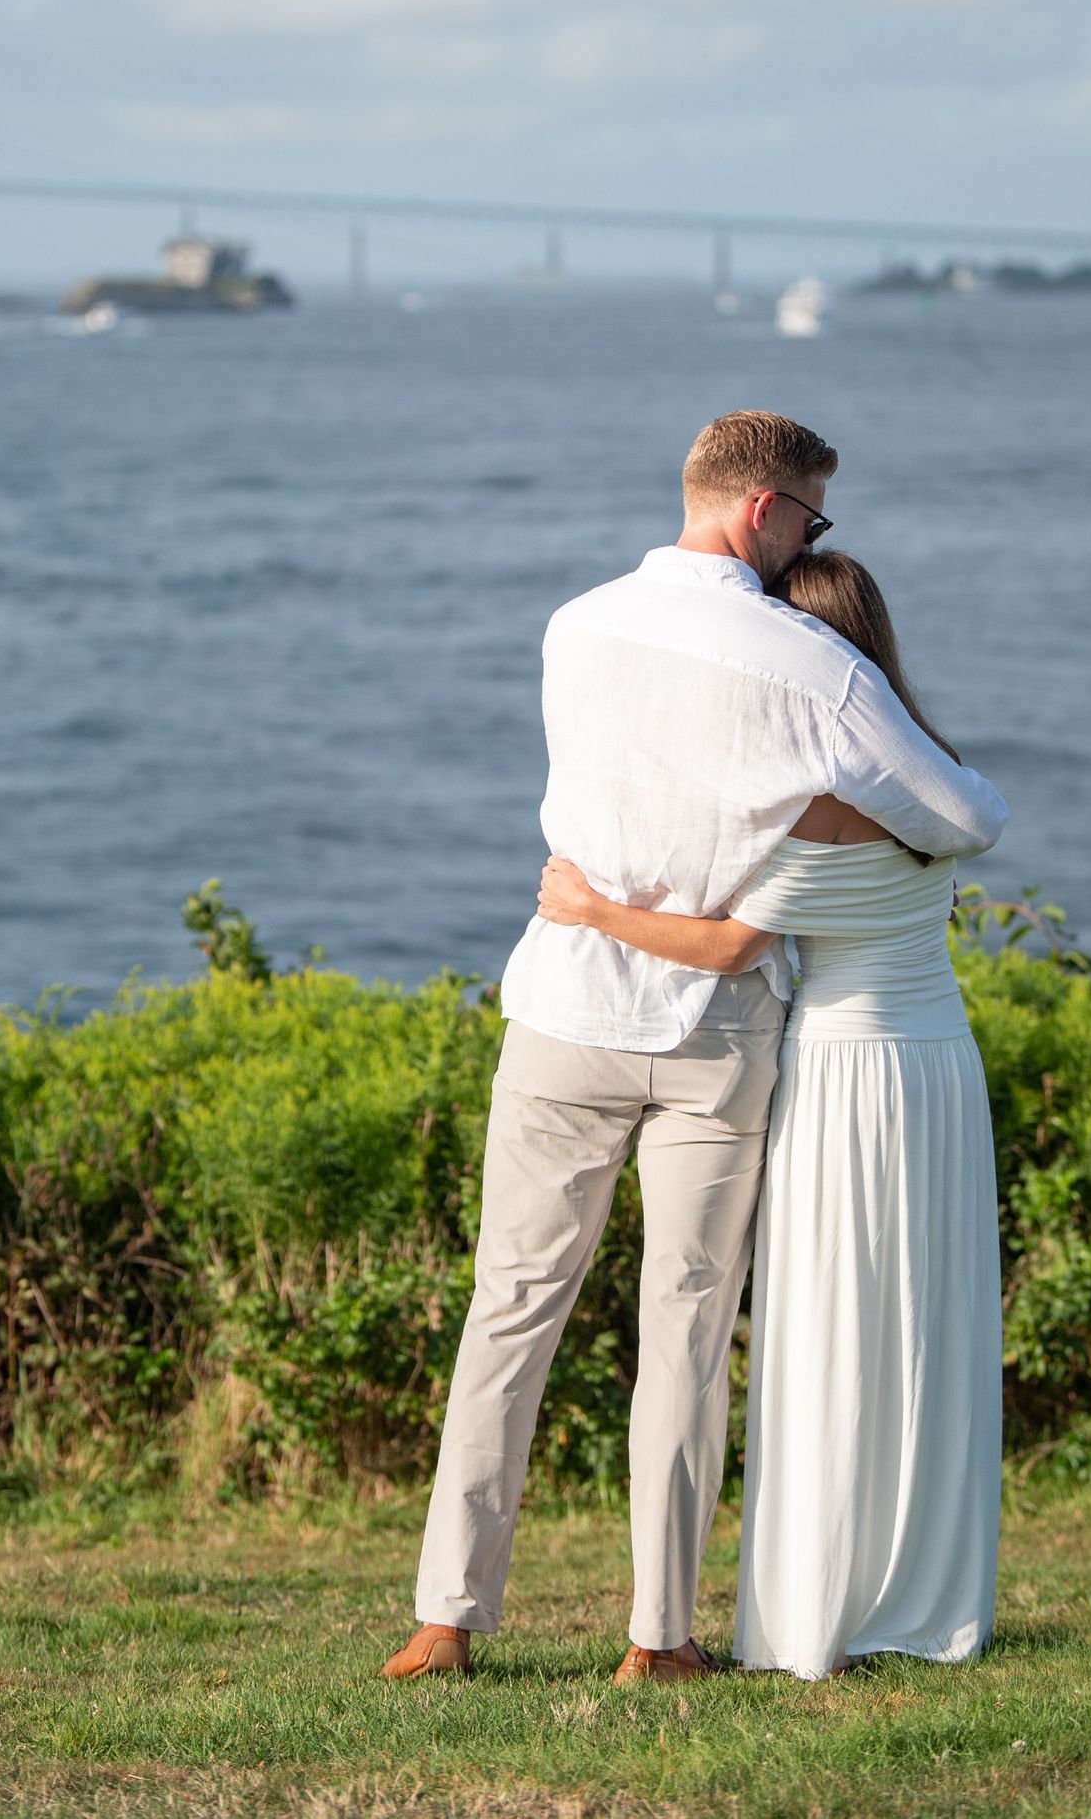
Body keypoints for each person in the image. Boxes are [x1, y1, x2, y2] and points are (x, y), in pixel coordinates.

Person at [381, 411, 1006, 1685]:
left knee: (509, 1309)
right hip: (715, 1029)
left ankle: (446, 1617)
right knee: (683, 1327)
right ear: (768, 510)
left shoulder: (575, 625)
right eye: (813, 521)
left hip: (565, 1003)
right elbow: (962, 814)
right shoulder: (806, 665)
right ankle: (655, 1638)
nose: (810, 547)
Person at [536, 549, 1003, 1680]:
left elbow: (728, 943)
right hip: (938, 1063)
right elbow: (976, 825)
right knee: (929, 1325)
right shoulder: (930, 783)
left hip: (842, 1075)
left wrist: (589, 904)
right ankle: (927, 1588)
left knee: (827, 1320)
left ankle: (822, 1598)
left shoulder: (799, 816)